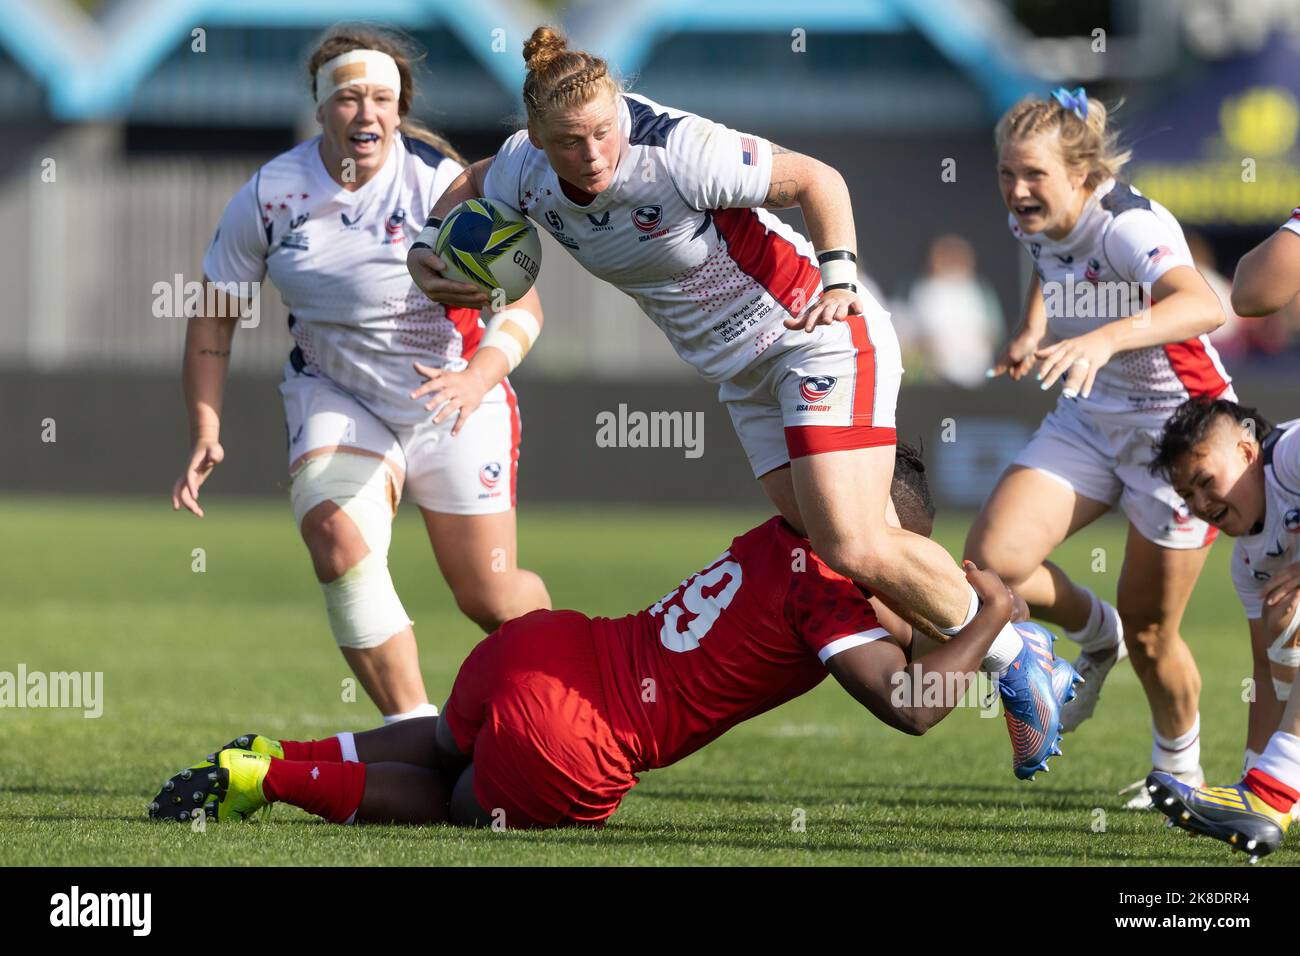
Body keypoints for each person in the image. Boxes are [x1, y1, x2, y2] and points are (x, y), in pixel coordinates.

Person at [406, 26, 1036, 727]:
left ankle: (1017, 656)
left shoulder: (678, 150)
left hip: (813, 335)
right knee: (851, 545)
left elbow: (815, 179)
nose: (592, 155)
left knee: (850, 542)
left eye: (603, 132)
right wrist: (426, 249)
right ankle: (997, 635)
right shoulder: (524, 168)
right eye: (569, 143)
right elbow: (467, 182)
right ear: (536, 138)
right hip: (741, 374)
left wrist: (839, 277)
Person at [148, 447, 1081, 829]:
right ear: (896, 546)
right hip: (577, 737)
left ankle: (271, 753)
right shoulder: (836, 588)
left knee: (441, 738)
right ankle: (275, 780)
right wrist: (990, 619)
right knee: (458, 801)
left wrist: (958, 629)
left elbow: (898, 645)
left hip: (536, 647)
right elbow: (913, 707)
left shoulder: (781, 536)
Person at [171, 24, 550, 723]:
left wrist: (477, 377)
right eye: (348, 98)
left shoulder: (442, 184)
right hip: (337, 393)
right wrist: (205, 423)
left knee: (489, 597)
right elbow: (213, 317)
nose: (366, 113)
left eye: (381, 97)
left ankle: (567, 684)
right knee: (336, 538)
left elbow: (524, 306)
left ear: (401, 110)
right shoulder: (272, 194)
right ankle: (415, 728)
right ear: (321, 108)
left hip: (452, 396)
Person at [968, 87, 1232, 808]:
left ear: (1083, 177)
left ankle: (1179, 771)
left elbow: (1206, 304)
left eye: (1032, 176)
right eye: (1005, 173)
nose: (1017, 190)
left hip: (1179, 433)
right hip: (1090, 414)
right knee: (990, 565)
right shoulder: (1037, 215)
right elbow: (1048, 260)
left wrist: (1104, 335)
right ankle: (1095, 633)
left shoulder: (1128, 224)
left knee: (1155, 633)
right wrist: (1033, 328)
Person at [1144, 210, 1300, 859]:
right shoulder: (1247, 563)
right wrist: (1244, 782)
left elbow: (1255, 290)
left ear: (1247, 446)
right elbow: (1267, 682)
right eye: (1187, 496)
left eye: (1206, 480)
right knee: (1283, 643)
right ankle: (1268, 792)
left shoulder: (1292, 455)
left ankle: (1278, 793)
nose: (1202, 503)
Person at [904, 234, 1005, 388]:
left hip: (981, 378)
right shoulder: (922, 291)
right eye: (946, 254)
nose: (952, 260)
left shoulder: (980, 290)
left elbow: (994, 332)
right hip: (937, 383)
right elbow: (917, 337)